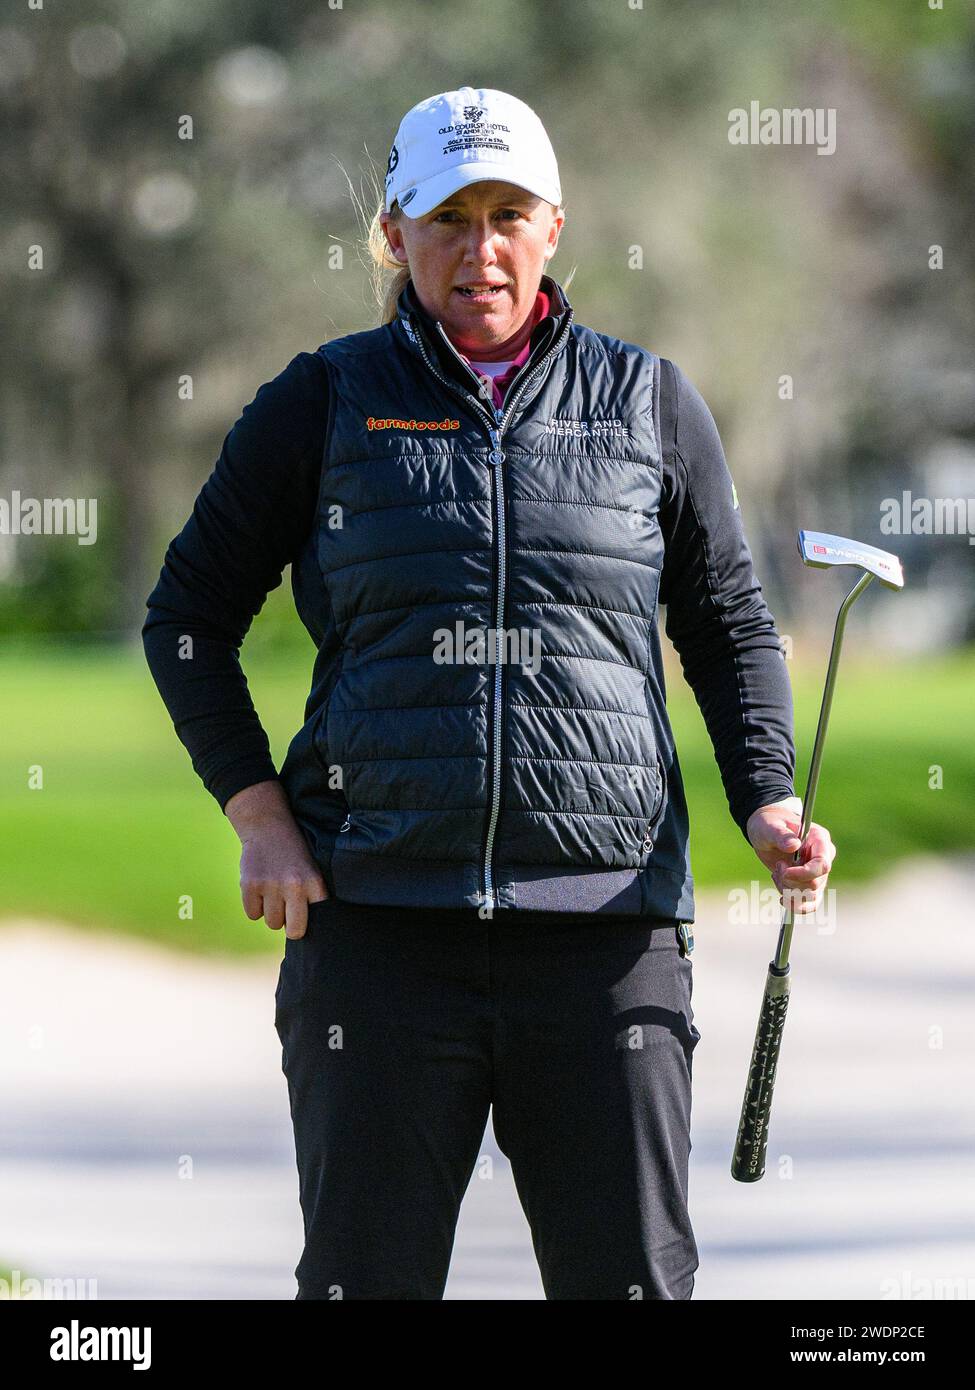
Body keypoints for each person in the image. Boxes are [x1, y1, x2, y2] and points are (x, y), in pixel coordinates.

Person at [143, 86, 836, 1301]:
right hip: (379, 936)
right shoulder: (324, 401)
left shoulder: (648, 403)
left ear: (554, 224)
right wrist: (259, 815)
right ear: (394, 235)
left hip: (606, 935)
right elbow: (188, 618)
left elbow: (728, 625)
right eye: (448, 217)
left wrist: (766, 795)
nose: (481, 249)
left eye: (507, 213)